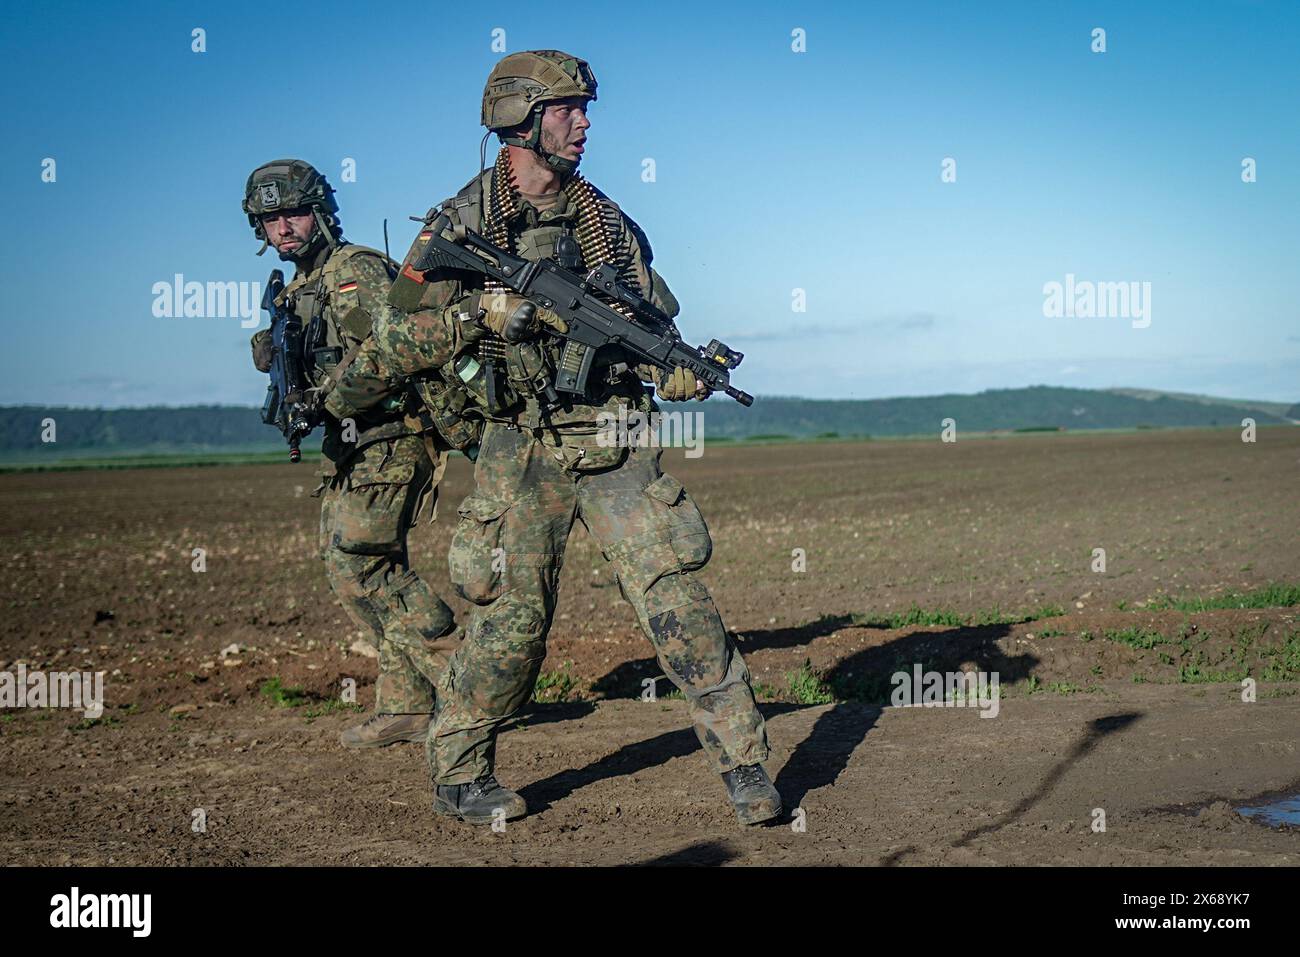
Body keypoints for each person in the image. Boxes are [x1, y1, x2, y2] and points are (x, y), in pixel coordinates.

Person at [327, 51, 782, 825]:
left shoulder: (608, 224)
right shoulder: (458, 226)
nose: (586, 122)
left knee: (676, 596)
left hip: (610, 433)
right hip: (516, 443)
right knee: (512, 619)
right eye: (569, 108)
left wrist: (674, 374)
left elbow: (652, 327)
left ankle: (746, 765)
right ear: (521, 117)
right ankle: (460, 772)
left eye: (584, 108)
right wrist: (478, 316)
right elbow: (384, 349)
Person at [243, 159, 478, 748]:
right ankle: (405, 704)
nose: (284, 227)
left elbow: (397, 350)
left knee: (364, 563)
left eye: (293, 212)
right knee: (349, 567)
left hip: (391, 434)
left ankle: (468, 686)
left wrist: (330, 397)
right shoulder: (299, 286)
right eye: (271, 218)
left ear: (320, 212)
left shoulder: (354, 272)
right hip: (349, 444)